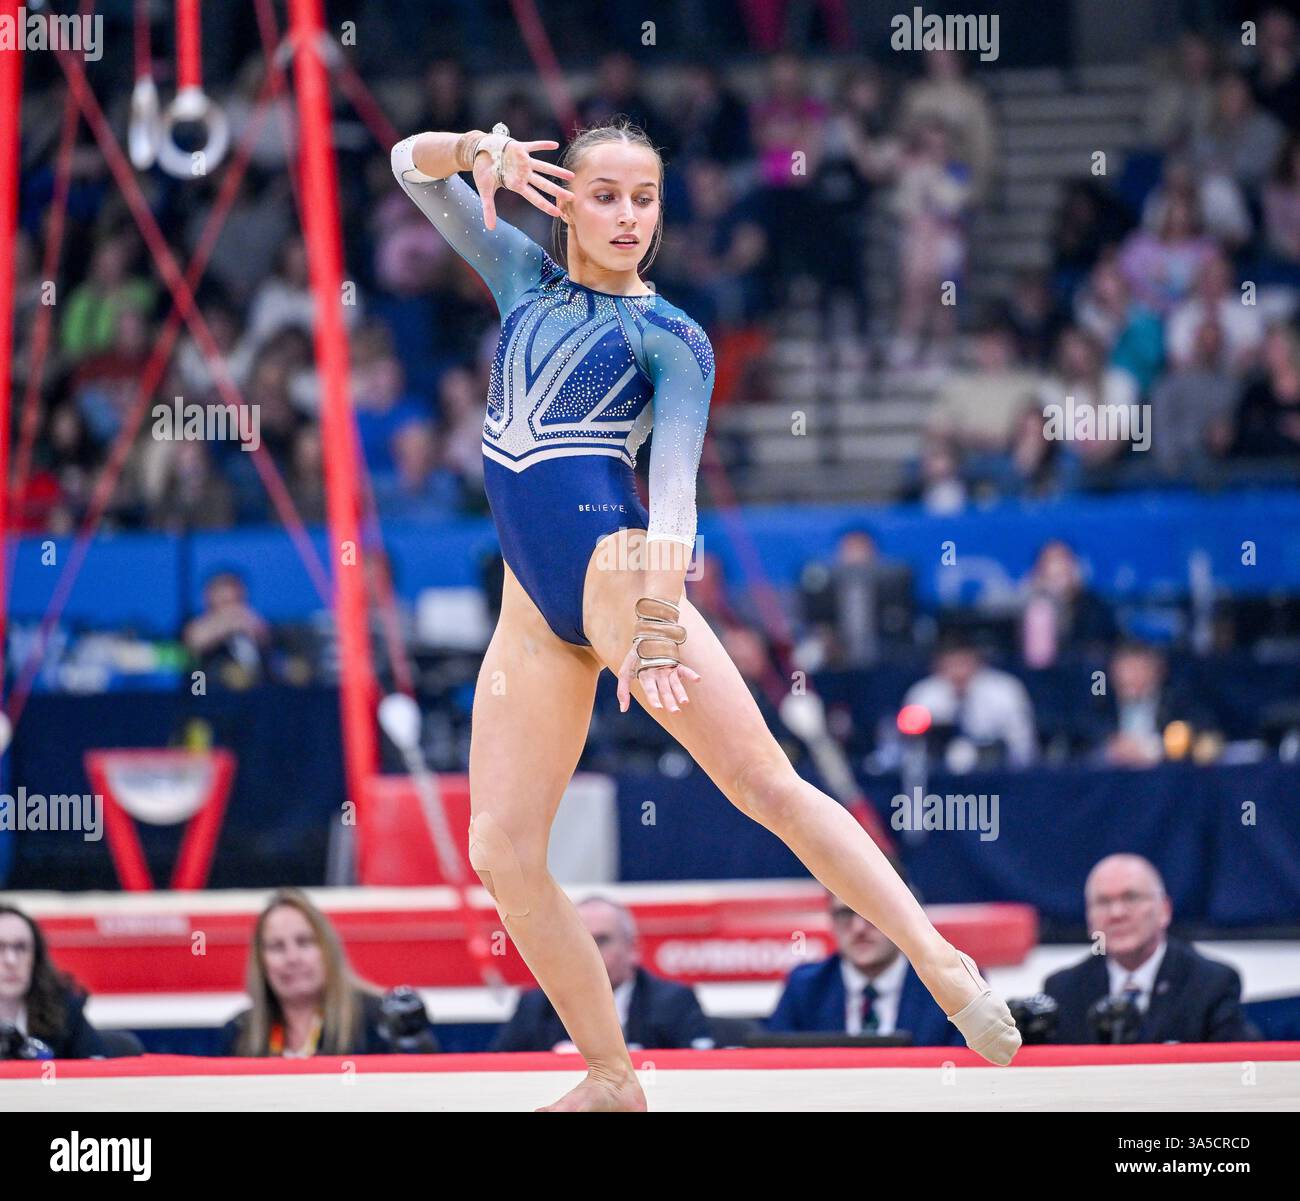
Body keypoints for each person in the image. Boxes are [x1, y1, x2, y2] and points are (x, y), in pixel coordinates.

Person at [391, 116, 1020, 1110]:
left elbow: (676, 489)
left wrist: (651, 616)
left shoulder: (669, 335)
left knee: (766, 785)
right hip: (529, 609)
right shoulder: (517, 274)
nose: (629, 215)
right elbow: (404, 169)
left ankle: (939, 963)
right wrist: (472, 151)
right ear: (564, 203)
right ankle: (610, 1072)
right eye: (605, 195)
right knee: (501, 852)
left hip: (619, 565)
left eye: (645, 198)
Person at [1043, 855, 1257, 1044]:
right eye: (1103, 901)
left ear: (1164, 910)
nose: (1117, 913)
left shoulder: (1211, 984)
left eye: (1131, 897)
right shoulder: (1064, 990)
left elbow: (1233, 1066)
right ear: (1089, 918)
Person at [222, 888, 437, 1056]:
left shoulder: (381, 1020)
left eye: (304, 942)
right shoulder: (240, 1032)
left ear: (327, 949)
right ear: (260, 961)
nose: (292, 957)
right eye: (277, 947)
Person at [492, 896, 711, 1052]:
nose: (589, 954)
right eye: (578, 942)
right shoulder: (535, 1006)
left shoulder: (674, 1003)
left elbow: (697, 1076)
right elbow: (498, 1074)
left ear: (633, 949)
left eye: (601, 941)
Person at [767, 886, 962, 1046]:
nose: (859, 928)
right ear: (831, 919)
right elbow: (776, 1069)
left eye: (873, 912)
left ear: (908, 917)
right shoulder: (804, 988)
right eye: (845, 913)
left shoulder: (950, 988)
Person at [0, 904, 105, 1059]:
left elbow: (98, 1069)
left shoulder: (64, 1009)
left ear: (36, 958)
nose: (11, 960)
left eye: (21, 948)